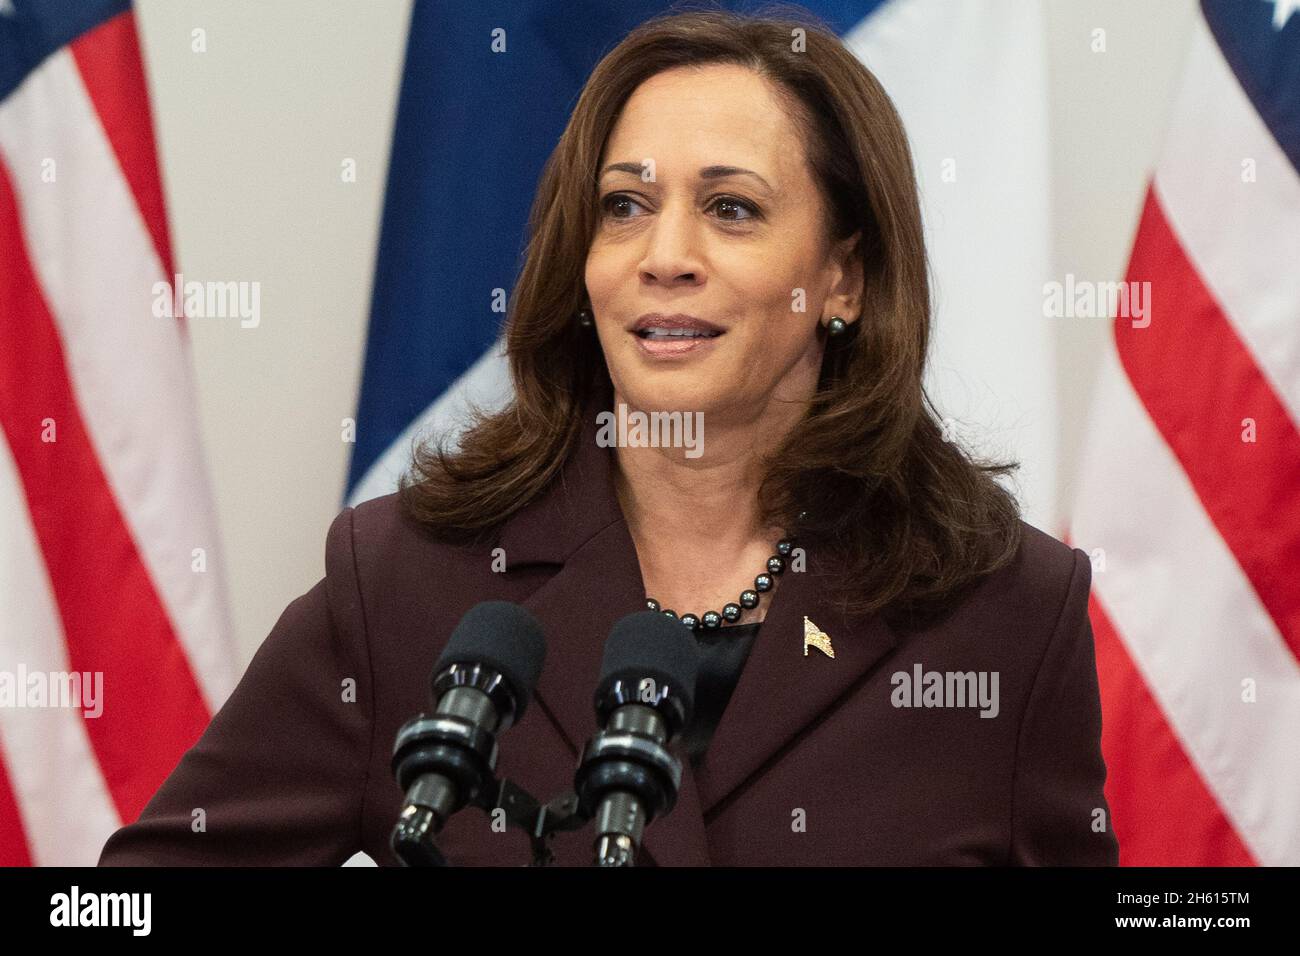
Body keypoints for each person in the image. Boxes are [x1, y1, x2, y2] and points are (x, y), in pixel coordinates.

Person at [99, 7, 1118, 866]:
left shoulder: (1002, 613)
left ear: (843, 280)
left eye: (730, 208)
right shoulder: (410, 583)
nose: (663, 255)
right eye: (623, 206)